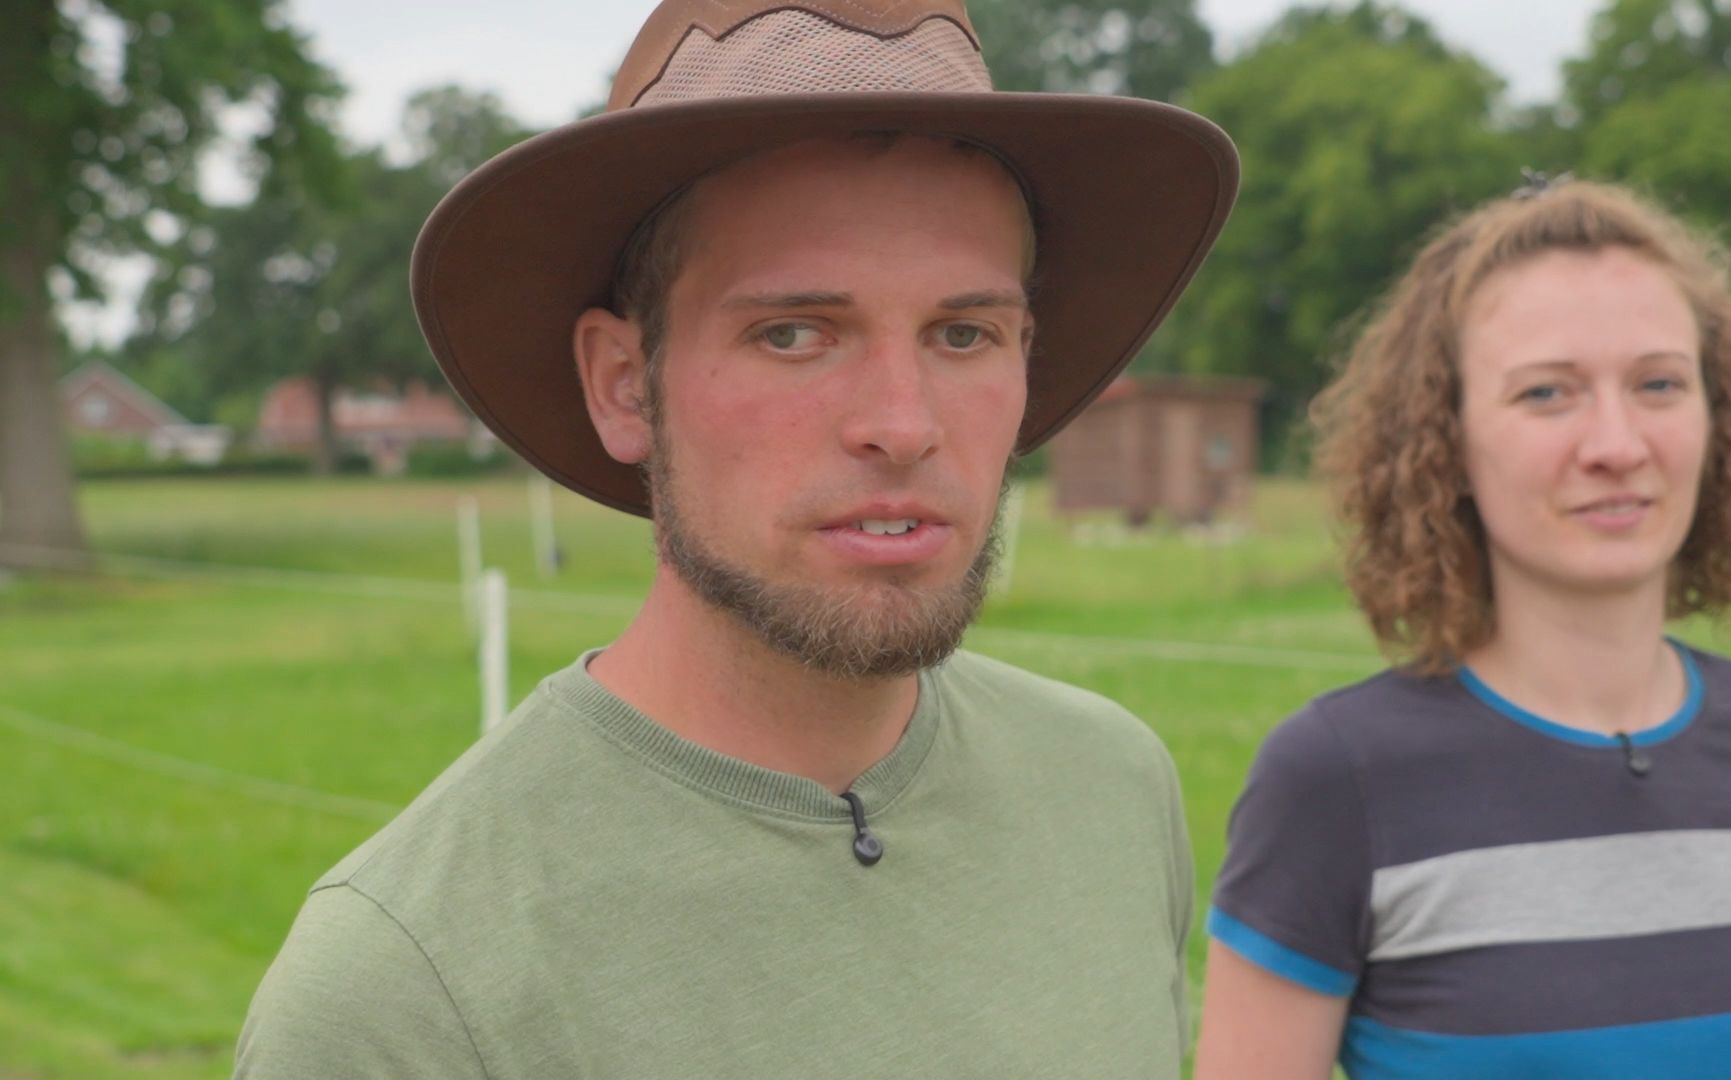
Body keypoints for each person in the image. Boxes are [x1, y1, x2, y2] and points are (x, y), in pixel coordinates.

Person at [235, 1, 1238, 1076]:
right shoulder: (408, 988)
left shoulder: (1112, 788)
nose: (903, 423)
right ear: (624, 386)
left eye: (963, 333)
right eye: (795, 333)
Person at [1194, 178, 1731, 1079]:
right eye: (1548, 394)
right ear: (1446, 439)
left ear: (1717, 418)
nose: (1616, 443)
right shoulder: (1336, 777)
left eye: (1659, 383)